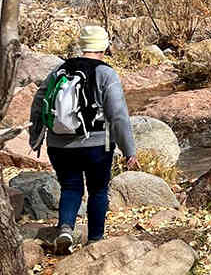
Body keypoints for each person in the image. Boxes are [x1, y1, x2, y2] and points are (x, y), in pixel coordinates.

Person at [29, 25, 138, 254]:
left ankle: (66, 229)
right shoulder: (106, 74)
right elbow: (118, 115)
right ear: (104, 47)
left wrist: (35, 138)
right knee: (98, 190)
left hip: (59, 145)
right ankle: (95, 241)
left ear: (82, 44)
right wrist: (129, 150)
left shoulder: (59, 69)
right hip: (96, 145)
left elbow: (39, 101)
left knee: (71, 187)